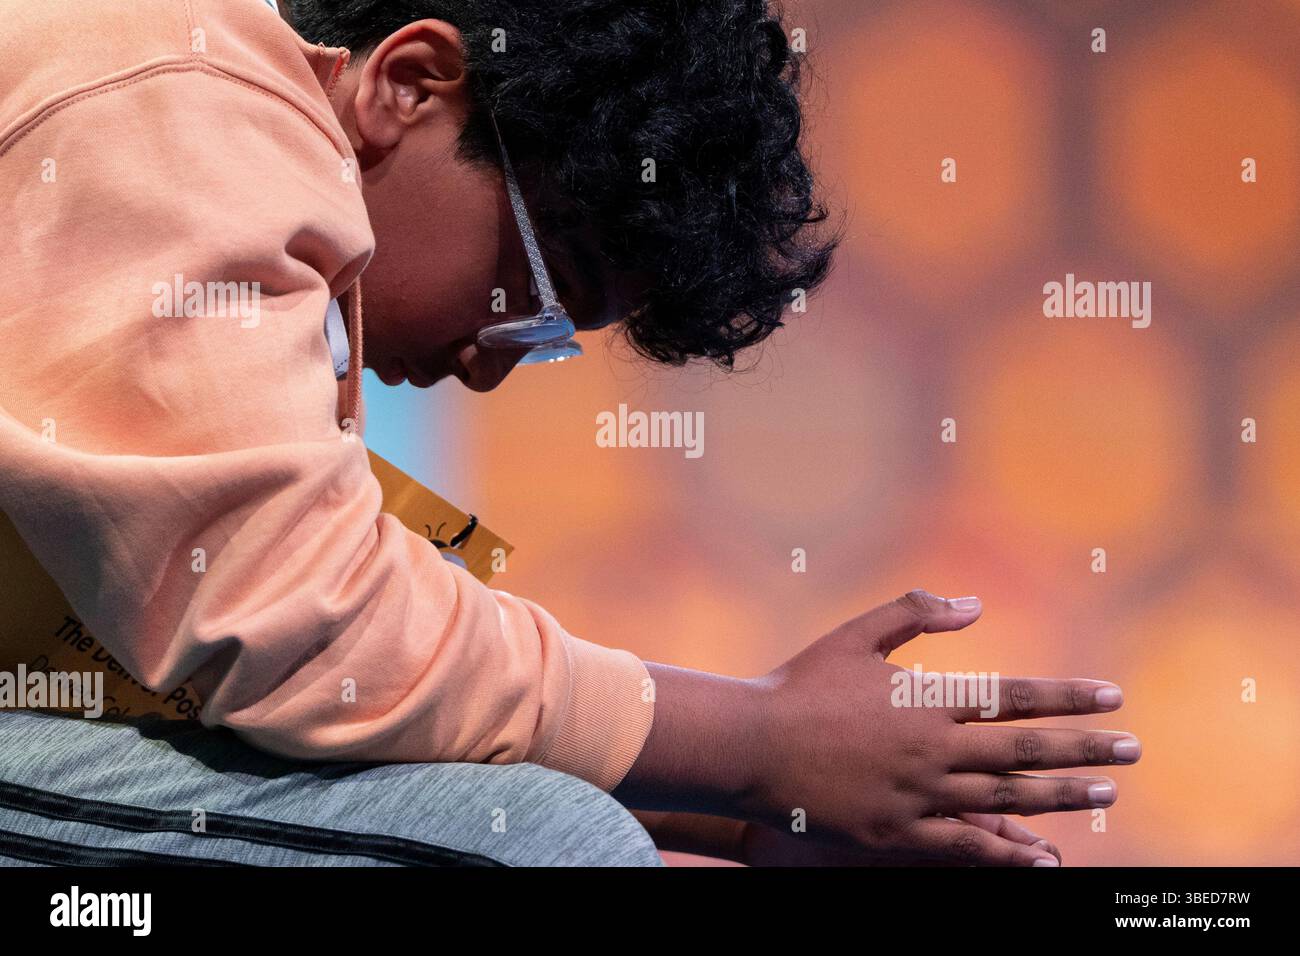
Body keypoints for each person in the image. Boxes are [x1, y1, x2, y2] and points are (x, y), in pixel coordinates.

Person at [0, 0, 1138, 866]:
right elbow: (304, 635)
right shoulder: (188, 100)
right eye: (533, 295)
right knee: (539, 848)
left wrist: (752, 797)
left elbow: (228, 674)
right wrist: (756, 740)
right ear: (409, 84)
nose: (486, 366)